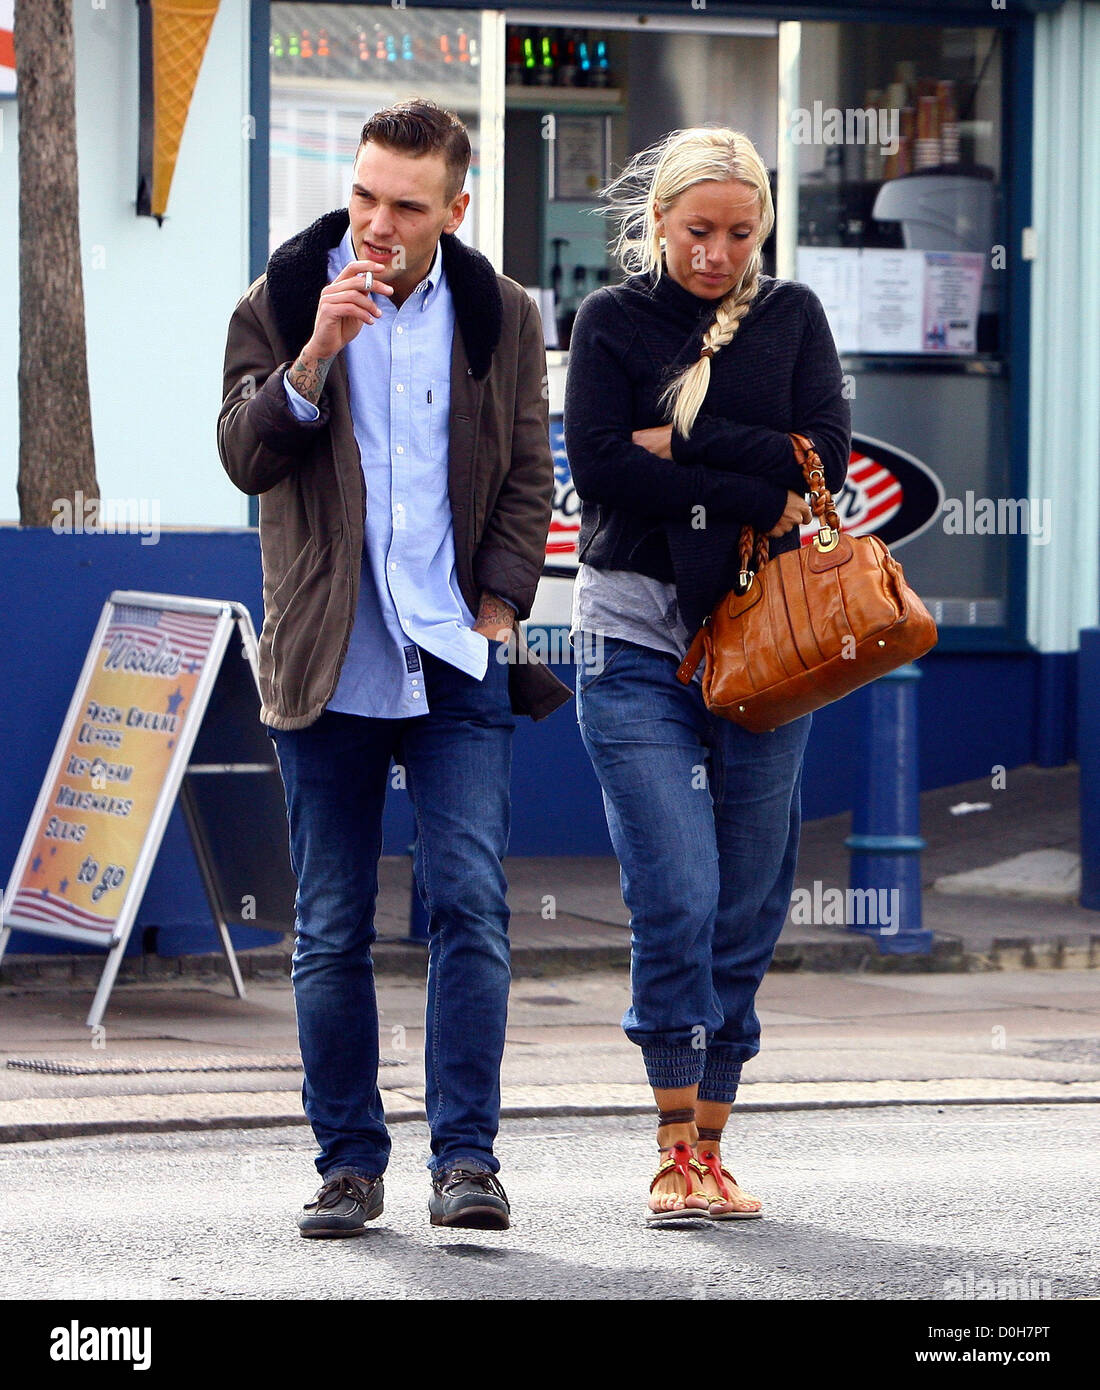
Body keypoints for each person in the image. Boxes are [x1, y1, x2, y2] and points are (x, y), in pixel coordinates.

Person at [218, 99, 569, 1238]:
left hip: (456, 653)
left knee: (468, 902)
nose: (377, 221)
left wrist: (499, 607)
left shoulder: (501, 315)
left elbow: (527, 473)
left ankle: (465, 1159)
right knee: (328, 922)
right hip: (329, 653)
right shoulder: (280, 296)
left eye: (405, 206)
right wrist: (318, 352)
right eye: (364, 194)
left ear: (452, 210)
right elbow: (240, 455)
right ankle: (347, 1164)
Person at [564, 127, 850, 1223]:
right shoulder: (610, 320)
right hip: (635, 643)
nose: (716, 252)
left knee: (745, 904)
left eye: (738, 232)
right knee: (675, 894)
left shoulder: (791, 318)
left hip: (766, 645)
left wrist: (677, 449)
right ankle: (668, 1140)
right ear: (657, 224)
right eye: (697, 231)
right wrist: (740, 473)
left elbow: (815, 455)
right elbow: (594, 466)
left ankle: (715, 1140)